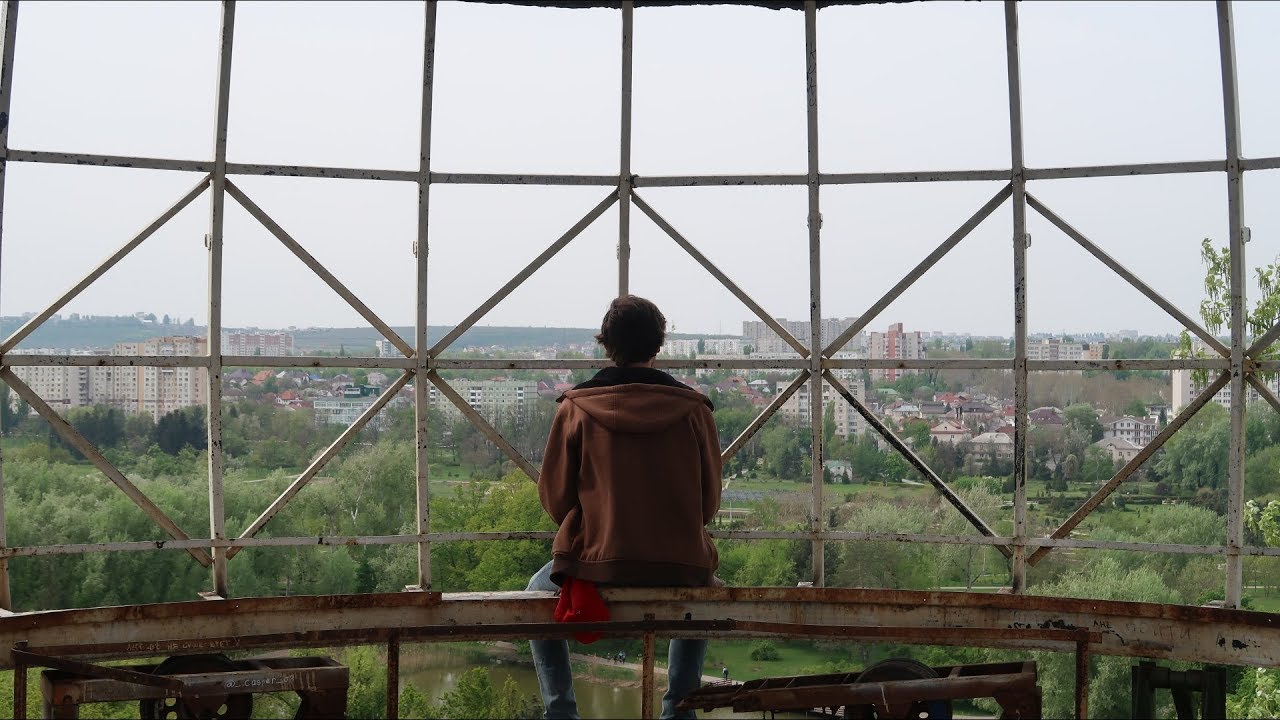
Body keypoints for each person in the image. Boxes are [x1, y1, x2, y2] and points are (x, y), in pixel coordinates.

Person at [527, 295, 722, 720]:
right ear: (658, 345)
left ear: (606, 344)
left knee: (535, 595)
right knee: (702, 589)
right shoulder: (694, 410)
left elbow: (556, 501)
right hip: (679, 562)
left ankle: (561, 712)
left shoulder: (576, 408)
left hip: (597, 565)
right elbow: (708, 506)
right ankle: (678, 710)